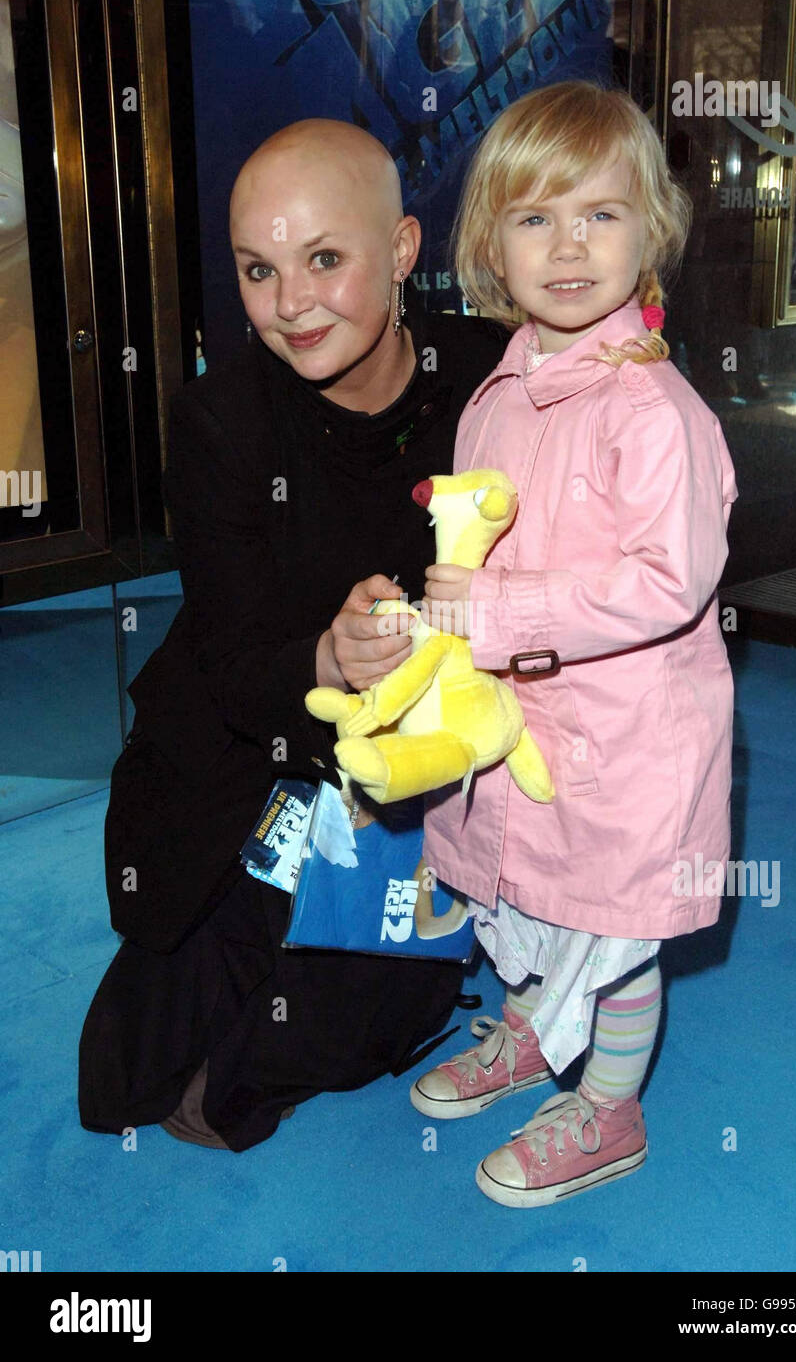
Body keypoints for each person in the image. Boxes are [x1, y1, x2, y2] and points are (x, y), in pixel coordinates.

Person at [78, 119, 508, 1152]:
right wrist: (324, 657)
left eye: (324, 259)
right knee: (122, 1071)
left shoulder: (492, 373)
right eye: (257, 270)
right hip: (250, 746)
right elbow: (230, 663)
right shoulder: (220, 420)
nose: (290, 304)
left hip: (421, 764)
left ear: (403, 250)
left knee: (282, 1058)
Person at [410, 80, 738, 1207]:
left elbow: (667, 579)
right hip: (520, 734)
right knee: (527, 905)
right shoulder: (495, 391)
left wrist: (501, 615)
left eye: (598, 215)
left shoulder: (653, 412)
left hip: (623, 743)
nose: (566, 247)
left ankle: (607, 1103)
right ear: (490, 242)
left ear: (647, 228)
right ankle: (526, 1038)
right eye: (534, 217)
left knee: (611, 933)